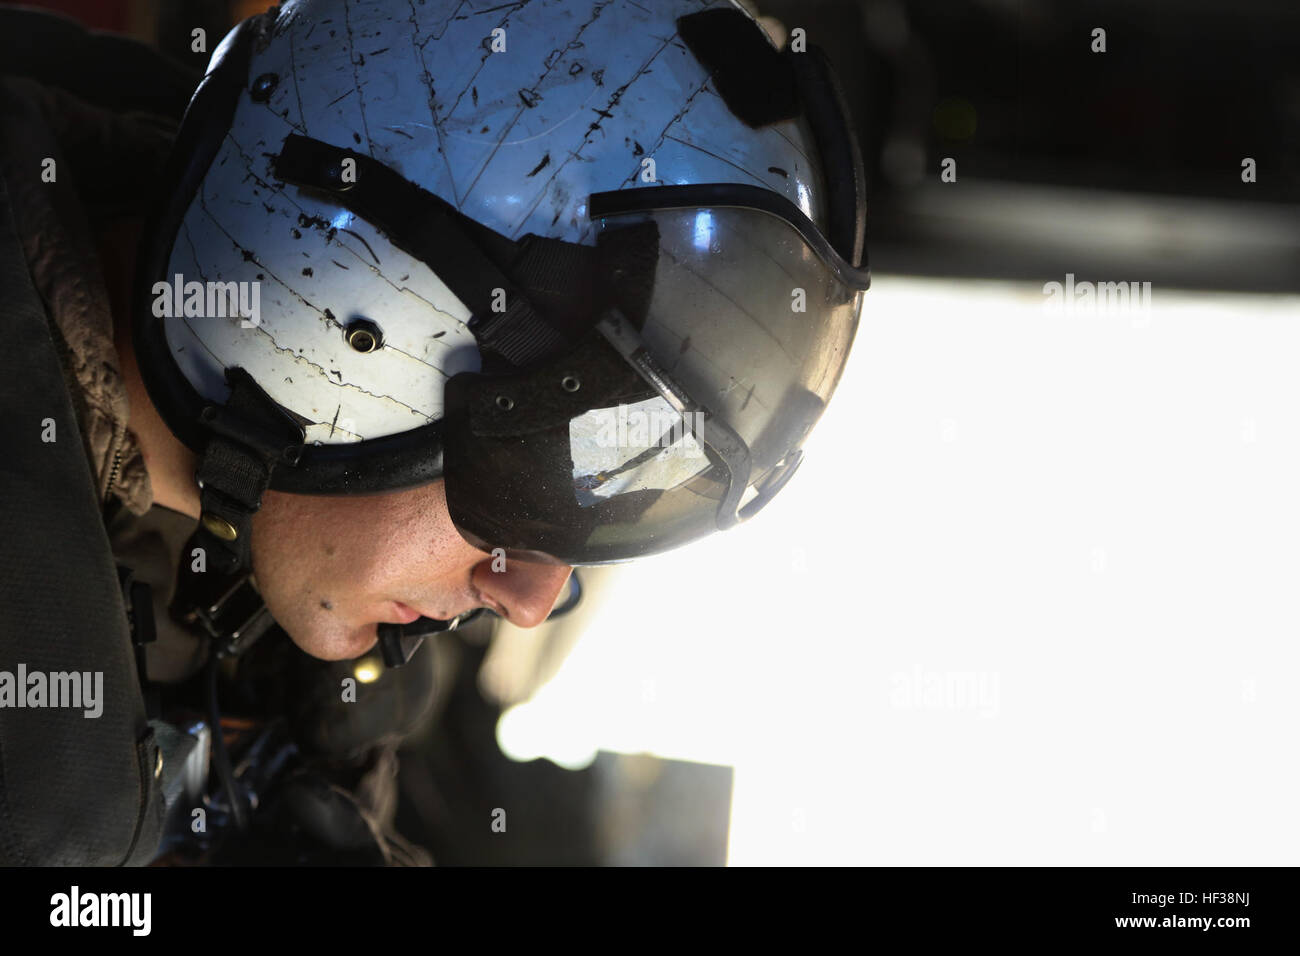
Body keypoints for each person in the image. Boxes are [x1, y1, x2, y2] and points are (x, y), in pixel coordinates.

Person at [0, 0, 868, 865]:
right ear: (346, 319)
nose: (528, 603)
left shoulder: (247, 651)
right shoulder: (47, 790)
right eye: (529, 484)